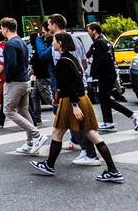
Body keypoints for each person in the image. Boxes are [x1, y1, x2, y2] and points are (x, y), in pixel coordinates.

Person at [31, 31, 125, 184]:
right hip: (82, 99)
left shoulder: (63, 61)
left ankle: (49, 165)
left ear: (60, 43)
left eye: (54, 41)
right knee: (85, 133)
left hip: (71, 101)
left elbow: (69, 85)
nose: (52, 43)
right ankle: (112, 170)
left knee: (62, 132)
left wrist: (74, 105)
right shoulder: (71, 58)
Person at [0, 17, 43, 155]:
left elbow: (11, 65)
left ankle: (37, 135)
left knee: (8, 111)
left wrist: (7, 80)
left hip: (15, 82)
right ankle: (30, 142)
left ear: (5, 29)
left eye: (1, 28)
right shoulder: (21, 42)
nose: (1, 30)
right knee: (23, 111)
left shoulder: (10, 44)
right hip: (24, 80)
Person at [87, 23, 138, 133]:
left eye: (88, 30)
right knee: (104, 98)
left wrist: (94, 76)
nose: (88, 33)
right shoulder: (105, 42)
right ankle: (108, 123)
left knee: (105, 99)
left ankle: (133, 115)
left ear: (94, 31)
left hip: (105, 76)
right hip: (110, 75)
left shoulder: (99, 43)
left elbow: (99, 61)